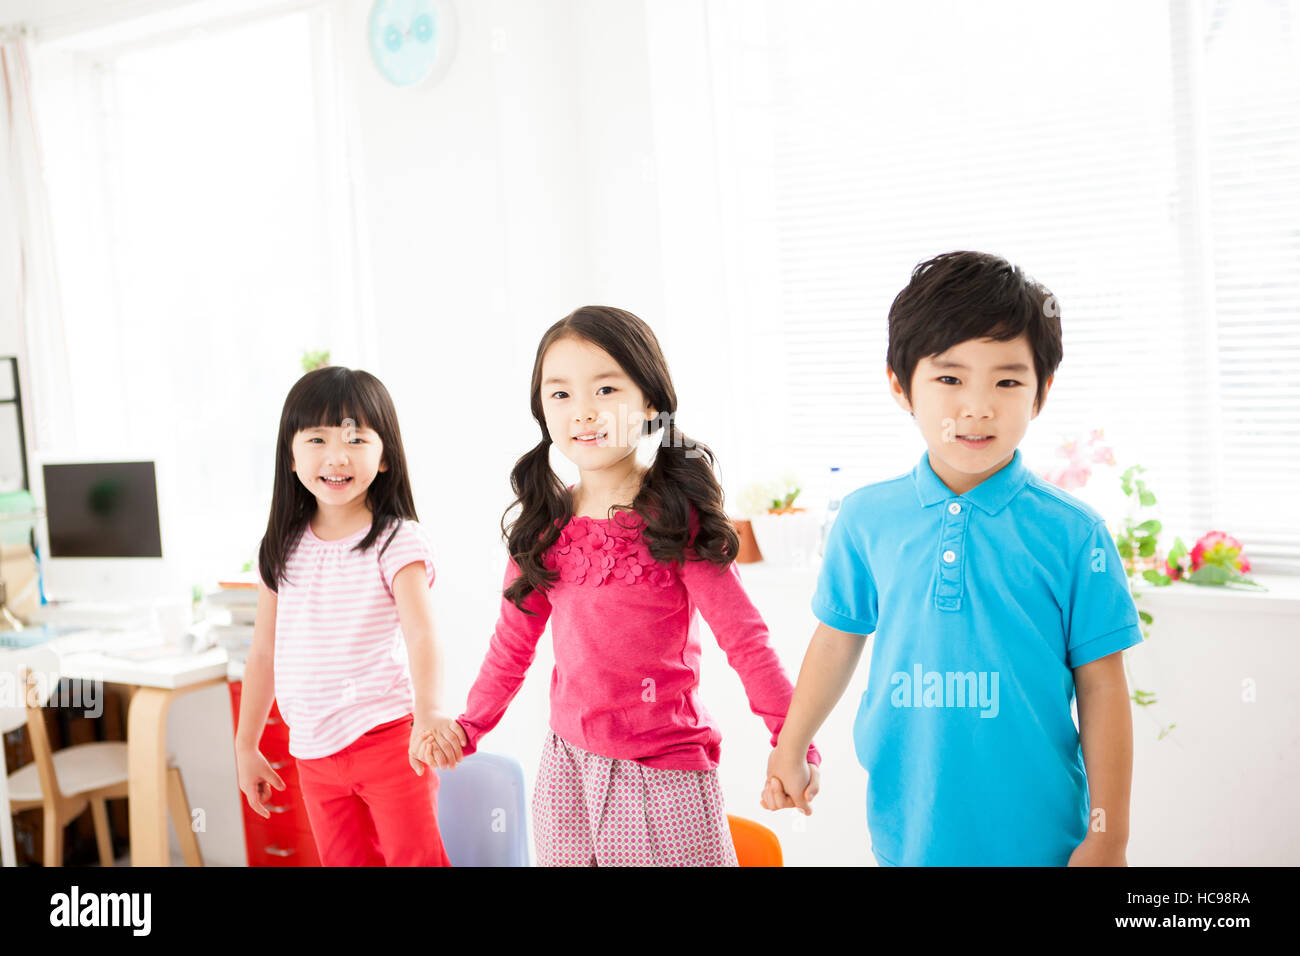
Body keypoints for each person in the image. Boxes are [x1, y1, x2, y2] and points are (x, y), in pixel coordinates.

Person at [763, 251, 1142, 866]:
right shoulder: (865, 518)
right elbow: (837, 640)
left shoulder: (1074, 534)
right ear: (899, 384)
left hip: (1040, 836)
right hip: (906, 828)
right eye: (949, 378)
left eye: (1008, 380)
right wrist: (792, 744)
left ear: (1041, 392)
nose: (977, 405)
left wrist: (1108, 835)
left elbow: (1102, 688)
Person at [418, 305, 819, 866]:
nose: (583, 411)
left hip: (665, 775)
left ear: (650, 403)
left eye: (605, 389)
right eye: (560, 395)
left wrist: (792, 742)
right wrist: (468, 727)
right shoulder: (542, 529)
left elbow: (745, 641)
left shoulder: (676, 520)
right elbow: (511, 648)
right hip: (567, 773)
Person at [235, 366, 456, 866]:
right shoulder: (280, 548)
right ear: (290, 458)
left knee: (415, 860)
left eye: (356, 439)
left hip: (390, 741)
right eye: (316, 439)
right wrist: (246, 745)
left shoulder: (397, 541)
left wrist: (428, 713)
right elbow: (263, 654)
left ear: (383, 458)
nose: (337, 456)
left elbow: (423, 637)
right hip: (312, 751)